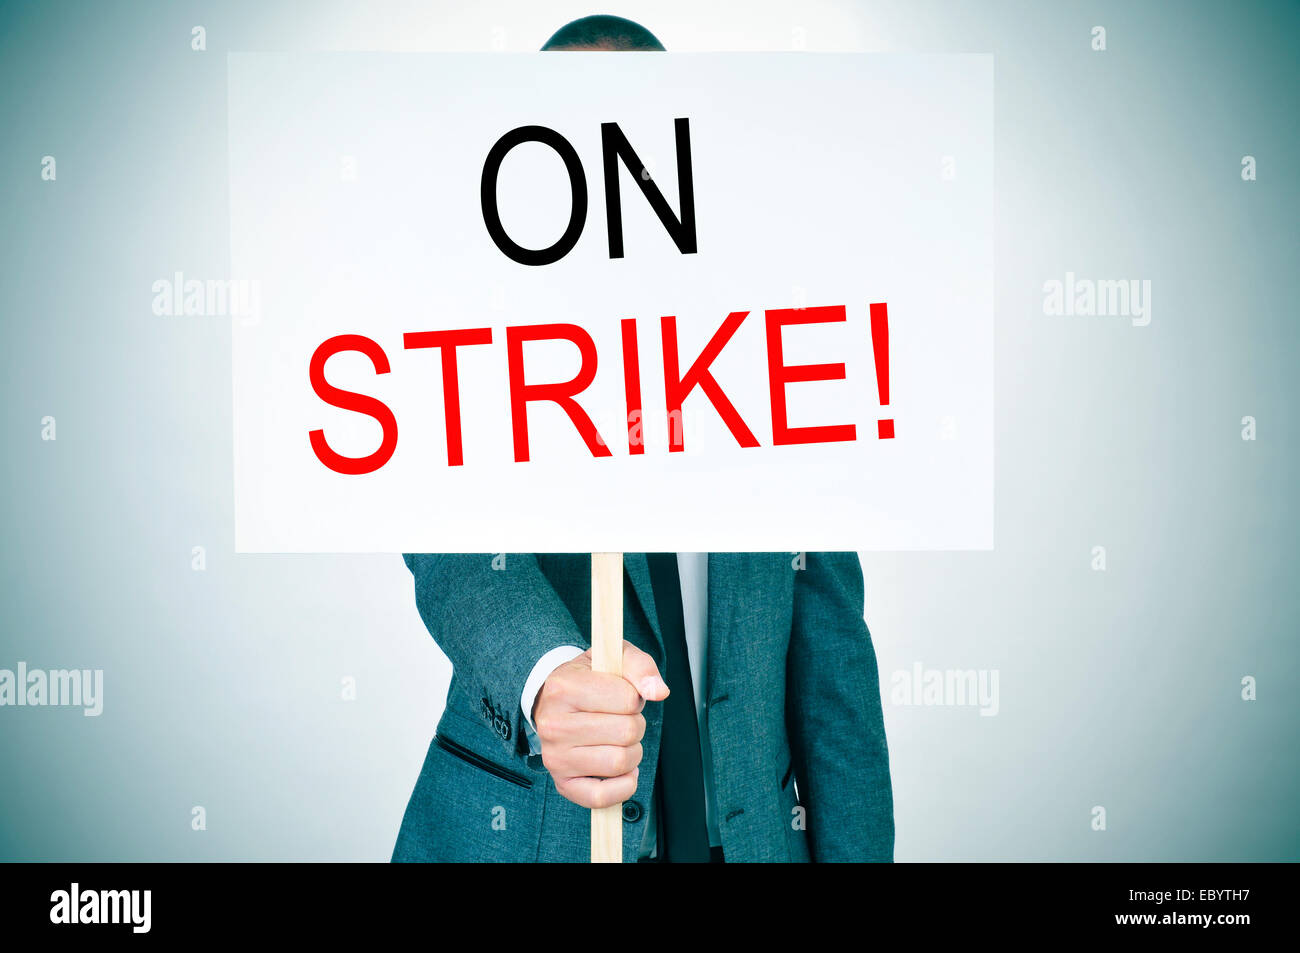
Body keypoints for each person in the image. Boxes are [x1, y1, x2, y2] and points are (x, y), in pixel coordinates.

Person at [391, 15, 892, 864]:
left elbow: (832, 662)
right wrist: (547, 674)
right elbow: (451, 550)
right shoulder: (473, 339)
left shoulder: (778, 360)